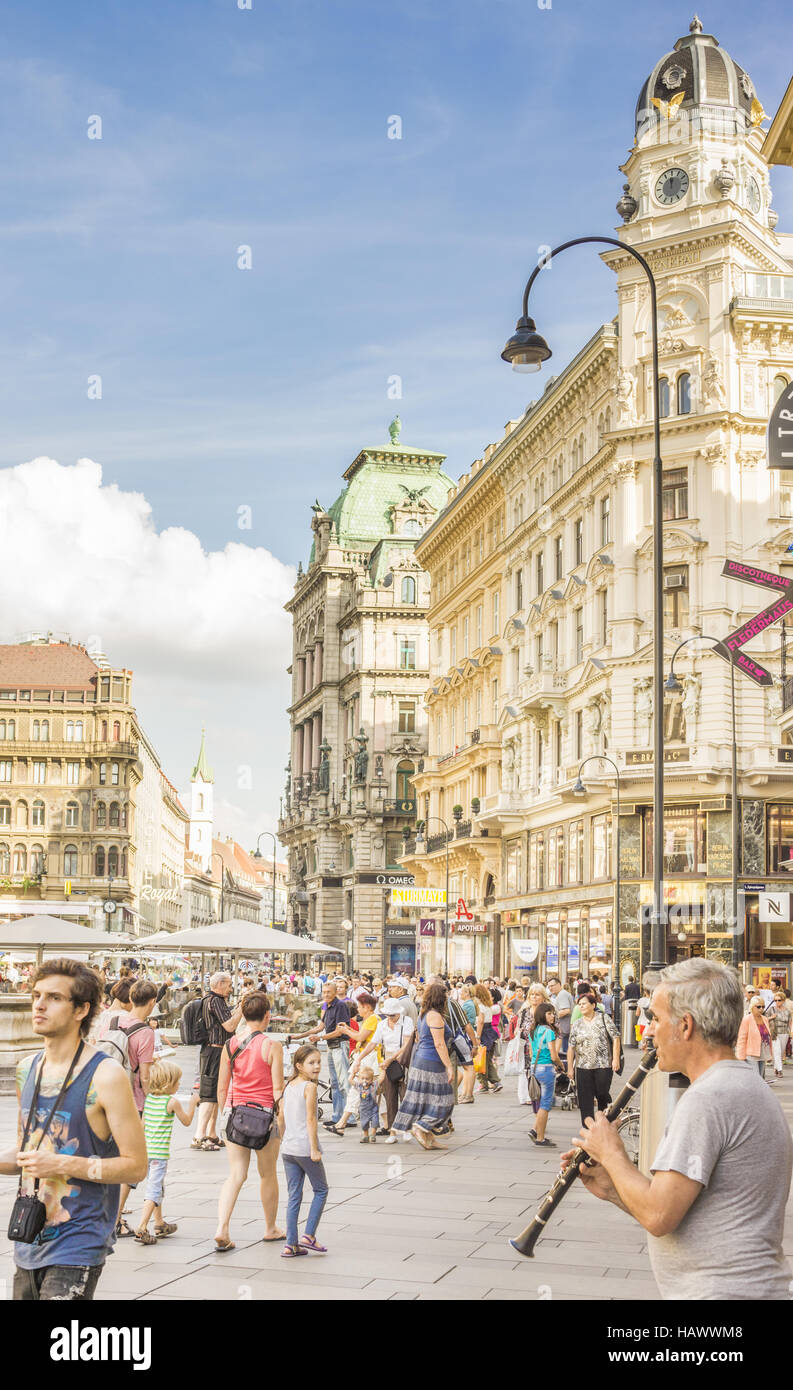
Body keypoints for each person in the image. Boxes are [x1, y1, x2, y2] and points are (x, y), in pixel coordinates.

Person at [566, 958, 793, 1301]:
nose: (648, 1030)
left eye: (656, 1018)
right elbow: (681, 1212)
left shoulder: (708, 1099)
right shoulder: (744, 1085)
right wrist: (615, 1187)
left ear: (685, 1026)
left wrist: (612, 1153)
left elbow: (659, 1216)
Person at [0, 958, 147, 1301]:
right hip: (29, 1235)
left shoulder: (106, 1075)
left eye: (53, 997)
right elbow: (29, 1152)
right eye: (36, 994)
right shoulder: (27, 1070)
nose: (38, 1004)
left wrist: (63, 1165)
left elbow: (136, 1165)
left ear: (81, 1009)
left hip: (79, 1242)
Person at [213, 991, 285, 1250]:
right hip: (264, 1117)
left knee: (236, 1175)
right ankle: (270, 1228)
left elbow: (222, 1088)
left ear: (243, 1014)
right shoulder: (272, 1046)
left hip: (235, 1113)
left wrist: (226, 1115)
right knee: (267, 1174)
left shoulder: (230, 1044)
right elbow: (278, 1089)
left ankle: (222, 1227)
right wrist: (283, 1119)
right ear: (267, 1016)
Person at [135, 1059, 197, 1245]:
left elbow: (142, 1125)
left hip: (145, 1152)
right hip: (159, 1155)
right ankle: (142, 1226)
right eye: (177, 1082)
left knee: (157, 1186)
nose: (179, 1085)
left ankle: (159, 1223)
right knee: (154, 1189)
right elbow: (186, 1121)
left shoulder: (150, 1100)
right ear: (168, 1083)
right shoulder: (171, 1102)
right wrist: (193, 1104)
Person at [278, 1045, 329, 1258]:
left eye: (318, 1061)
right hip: (304, 1147)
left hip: (288, 1148)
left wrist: (283, 1139)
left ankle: (291, 1244)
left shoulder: (288, 1085)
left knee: (294, 1196)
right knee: (321, 1189)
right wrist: (314, 1148)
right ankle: (308, 1235)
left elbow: (280, 1117)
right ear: (299, 1066)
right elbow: (311, 1118)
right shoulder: (309, 1087)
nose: (317, 1066)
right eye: (311, 1063)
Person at [391, 981, 455, 1150]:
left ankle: (430, 1138)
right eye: (445, 995)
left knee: (427, 1099)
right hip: (431, 1062)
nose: (447, 998)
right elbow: (439, 1044)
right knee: (444, 1099)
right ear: (440, 998)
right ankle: (421, 1127)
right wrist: (449, 1066)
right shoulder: (434, 1016)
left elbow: (420, 1038)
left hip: (421, 1060)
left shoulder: (423, 1014)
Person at [194, 972, 245, 1151]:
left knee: (216, 1092)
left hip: (218, 1049)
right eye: (229, 985)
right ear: (220, 984)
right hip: (213, 1050)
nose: (231, 989)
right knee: (209, 1094)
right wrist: (241, 1010)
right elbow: (229, 1025)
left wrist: (235, 1008)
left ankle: (211, 1133)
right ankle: (199, 1136)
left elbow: (225, 1019)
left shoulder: (217, 1000)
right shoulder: (214, 1000)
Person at [353, 998, 414, 1136]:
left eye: (393, 1015)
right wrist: (359, 1058)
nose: (390, 1018)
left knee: (404, 1095)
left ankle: (406, 1128)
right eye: (388, 1015)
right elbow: (373, 1043)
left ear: (399, 1013)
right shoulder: (383, 1024)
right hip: (387, 1062)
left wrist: (390, 1059)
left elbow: (406, 1045)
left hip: (403, 1060)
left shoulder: (406, 1022)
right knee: (389, 1096)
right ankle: (393, 1131)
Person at [304, 979, 352, 1128]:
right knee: (335, 1084)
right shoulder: (328, 1006)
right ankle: (337, 1115)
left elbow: (340, 1030)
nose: (326, 994)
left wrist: (320, 1037)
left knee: (344, 1083)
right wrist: (301, 1035)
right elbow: (322, 1026)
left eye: (328, 992)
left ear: (335, 992)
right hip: (331, 1046)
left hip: (339, 1045)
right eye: (324, 992)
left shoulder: (341, 1006)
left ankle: (349, 1118)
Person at [567, 990, 620, 1124]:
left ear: (593, 1004)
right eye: (579, 1004)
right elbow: (571, 1047)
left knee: (602, 1093)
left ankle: (605, 1121)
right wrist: (570, 1068)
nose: (581, 1006)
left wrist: (616, 1058)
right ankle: (588, 1127)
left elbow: (616, 1038)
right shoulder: (577, 1024)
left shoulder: (603, 1018)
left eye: (584, 1004)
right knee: (585, 1099)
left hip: (603, 1064)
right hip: (583, 1066)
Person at [526, 1001, 562, 1147]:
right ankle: (540, 1138)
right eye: (549, 1013)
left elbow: (531, 1052)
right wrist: (561, 1065)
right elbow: (554, 1056)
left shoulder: (533, 1030)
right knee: (545, 1104)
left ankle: (535, 1130)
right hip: (546, 1069)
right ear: (542, 1015)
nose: (552, 1016)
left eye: (553, 1013)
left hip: (534, 1068)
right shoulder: (549, 1032)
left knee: (541, 1103)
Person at [473, 983, 502, 1093]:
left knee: (481, 1059)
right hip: (490, 1033)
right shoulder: (487, 1005)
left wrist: (477, 1037)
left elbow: (480, 1022)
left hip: (484, 1033)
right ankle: (494, 1082)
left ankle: (485, 1084)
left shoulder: (480, 1006)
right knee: (487, 1060)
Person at [736, 995, 773, 1078]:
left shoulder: (765, 1019)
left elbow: (767, 1037)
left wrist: (770, 1054)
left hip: (763, 1052)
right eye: (759, 1007)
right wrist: (741, 1057)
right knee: (755, 1077)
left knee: (760, 1077)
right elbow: (741, 1039)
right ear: (752, 1007)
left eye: (763, 1007)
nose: (761, 1009)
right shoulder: (747, 1019)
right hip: (751, 1054)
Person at [547, 977, 574, 1061]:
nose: (551, 988)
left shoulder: (562, 994)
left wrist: (552, 1017)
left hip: (565, 1030)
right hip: (565, 1030)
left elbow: (566, 1010)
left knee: (565, 1056)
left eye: (552, 986)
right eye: (549, 986)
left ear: (559, 984)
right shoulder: (561, 994)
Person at [770, 990, 792, 1078]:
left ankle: (776, 1067)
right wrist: (771, 1017)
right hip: (775, 1033)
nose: (777, 1002)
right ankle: (780, 1070)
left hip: (785, 1033)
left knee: (780, 1051)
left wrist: (790, 1032)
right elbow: (764, 1019)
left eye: (779, 1000)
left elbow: (789, 1023)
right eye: (775, 1000)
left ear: (783, 1001)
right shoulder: (772, 1009)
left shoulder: (787, 1011)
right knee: (777, 1051)